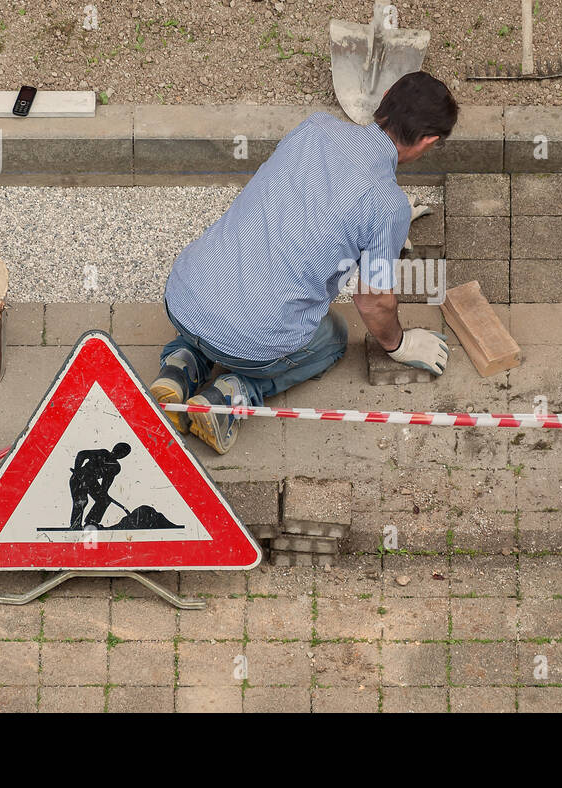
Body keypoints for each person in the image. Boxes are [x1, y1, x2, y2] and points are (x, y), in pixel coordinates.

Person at [151, 71, 458, 454]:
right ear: (429, 141)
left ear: (386, 101)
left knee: (232, 293)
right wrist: (398, 343)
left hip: (184, 297)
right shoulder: (385, 204)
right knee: (333, 338)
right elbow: (372, 300)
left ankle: (181, 366)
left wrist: (388, 227)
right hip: (249, 344)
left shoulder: (315, 128)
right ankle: (230, 396)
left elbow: (313, 199)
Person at [67, 442, 131, 529]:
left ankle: (91, 522)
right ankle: (75, 525)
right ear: (114, 448)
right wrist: (77, 470)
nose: (119, 454)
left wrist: (104, 492)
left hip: (91, 481)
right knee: (81, 501)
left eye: (123, 453)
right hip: (78, 478)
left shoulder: (115, 467)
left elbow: (107, 481)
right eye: (119, 450)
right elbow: (82, 454)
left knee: (104, 500)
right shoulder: (102, 453)